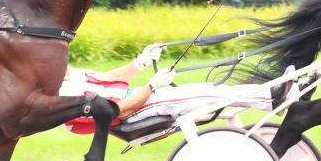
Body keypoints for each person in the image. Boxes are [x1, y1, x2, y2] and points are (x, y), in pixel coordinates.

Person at [60, 44, 300, 135]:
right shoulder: (67, 100)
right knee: (208, 93)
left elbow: (109, 77)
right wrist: (152, 85)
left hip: (140, 99)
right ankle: (272, 98)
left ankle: (275, 95)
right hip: (136, 111)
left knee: (210, 91)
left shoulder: (71, 77)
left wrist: (140, 62)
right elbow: (119, 111)